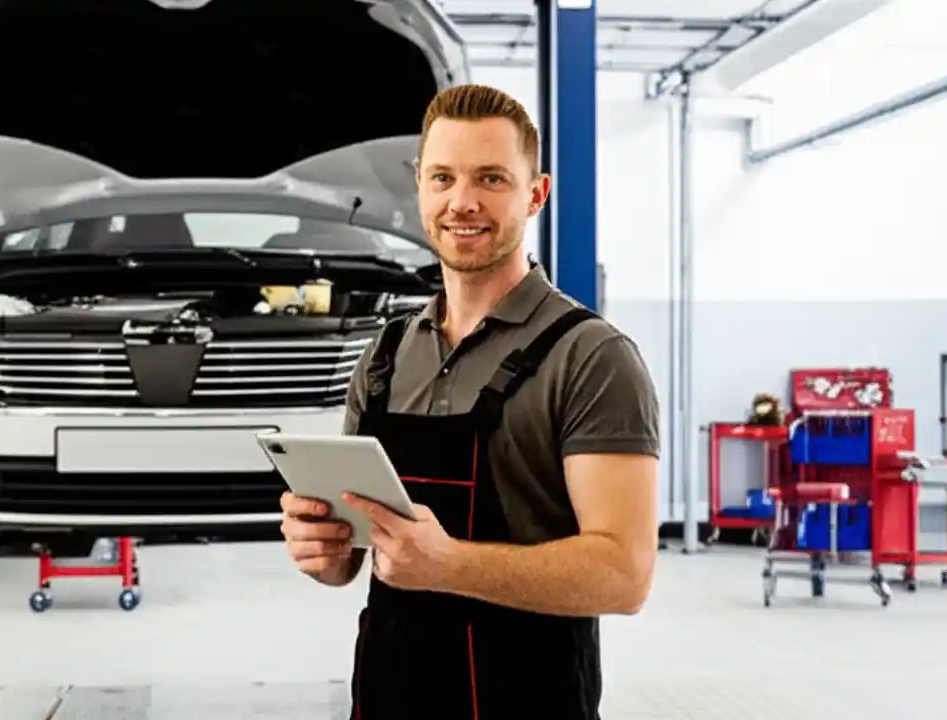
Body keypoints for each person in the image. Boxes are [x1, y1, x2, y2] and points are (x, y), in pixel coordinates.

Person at [279, 83, 661, 720]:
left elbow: (626, 575)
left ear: (535, 193)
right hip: (387, 696)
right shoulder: (385, 354)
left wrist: (450, 564)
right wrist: (324, 549)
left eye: (491, 178)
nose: (463, 202)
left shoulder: (592, 358)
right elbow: (351, 560)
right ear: (419, 189)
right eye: (442, 177)